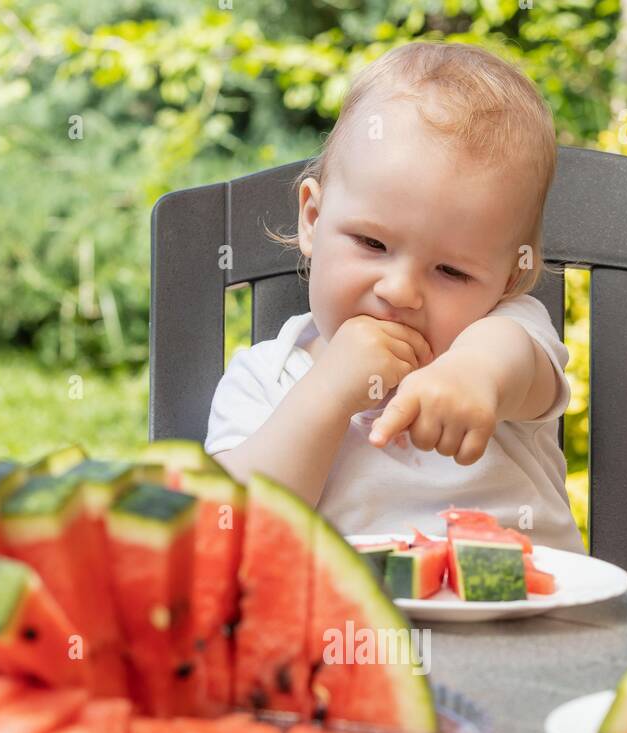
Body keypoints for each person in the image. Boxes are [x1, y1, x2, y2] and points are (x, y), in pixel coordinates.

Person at [205, 41, 586, 554]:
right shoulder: (264, 378)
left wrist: (471, 375)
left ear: (511, 279)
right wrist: (328, 390)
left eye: (451, 271)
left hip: (526, 623)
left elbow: (511, 365)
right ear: (313, 220)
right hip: (337, 627)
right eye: (372, 244)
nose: (400, 291)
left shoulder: (507, 331)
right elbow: (234, 531)